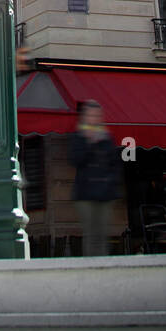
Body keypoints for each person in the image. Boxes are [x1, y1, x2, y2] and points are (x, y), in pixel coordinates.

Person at [68, 101, 121, 255]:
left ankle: (104, 268)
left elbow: (115, 162)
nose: (94, 118)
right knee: (91, 233)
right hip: (86, 193)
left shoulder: (107, 137)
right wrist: (89, 143)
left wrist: (113, 183)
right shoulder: (79, 136)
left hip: (105, 192)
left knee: (103, 233)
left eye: (96, 115)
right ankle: (91, 270)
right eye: (90, 115)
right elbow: (75, 160)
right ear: (84, 117)